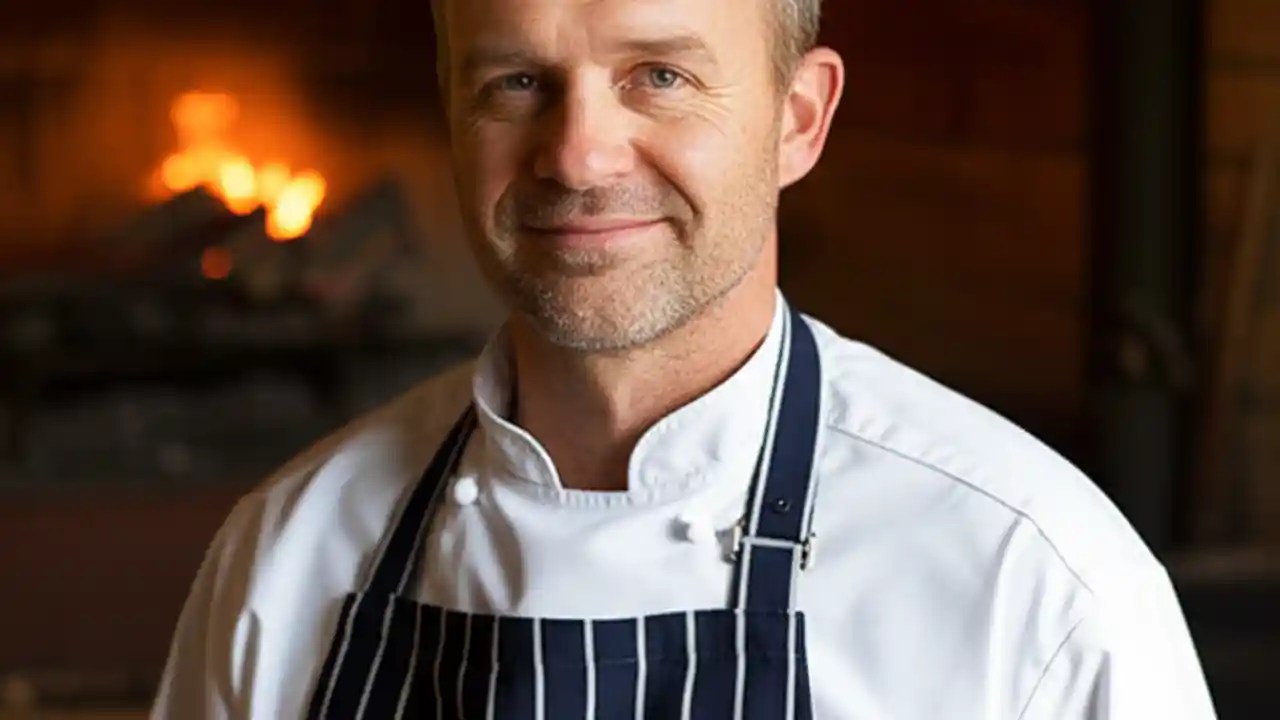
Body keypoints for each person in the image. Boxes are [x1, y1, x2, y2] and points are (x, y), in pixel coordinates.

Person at [152, 0, 1218, 717]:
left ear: (797, 120)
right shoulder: (289, 554)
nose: (574, 155)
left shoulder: (1029, 579)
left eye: (657, 76)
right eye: (516, 82)